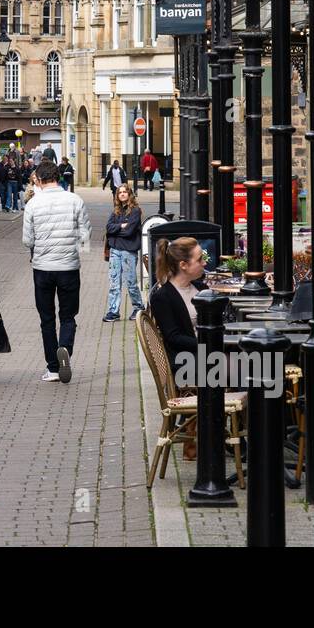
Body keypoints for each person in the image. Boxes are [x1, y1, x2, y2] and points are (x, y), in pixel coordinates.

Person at [22, 159, 91, 383]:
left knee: (47, 318)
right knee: (68, 316)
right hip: (69, 267)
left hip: (42, 267)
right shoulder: (75, 200)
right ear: (58, 177)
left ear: (39, 180)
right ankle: (65, 348)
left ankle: (52, 368)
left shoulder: (32, 205)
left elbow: (27, 240)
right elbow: (85, 236)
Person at [149, 236, 207, 460]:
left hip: (203, 358)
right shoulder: (163, 296)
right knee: (256, 371)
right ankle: (248, 437)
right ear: (184, 265)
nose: (204, 263)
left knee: (258, 367)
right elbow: (173, 337)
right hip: (187, 366)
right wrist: (210, 342)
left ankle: (241, 435)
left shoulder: (198, 287)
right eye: (200, 259)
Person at [104, 184, 145, 322]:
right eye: (120, 192)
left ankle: (138, 307)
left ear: (129, 194)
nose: (122, 194)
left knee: (131, 282)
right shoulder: (116, 211)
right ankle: (113, 311)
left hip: (129, 251)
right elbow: (108, 228)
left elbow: (129, 231)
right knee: (114, 282)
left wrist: (116, 230)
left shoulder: (135, 211)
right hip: (115, 250)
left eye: (124, 192)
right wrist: (120, 226)